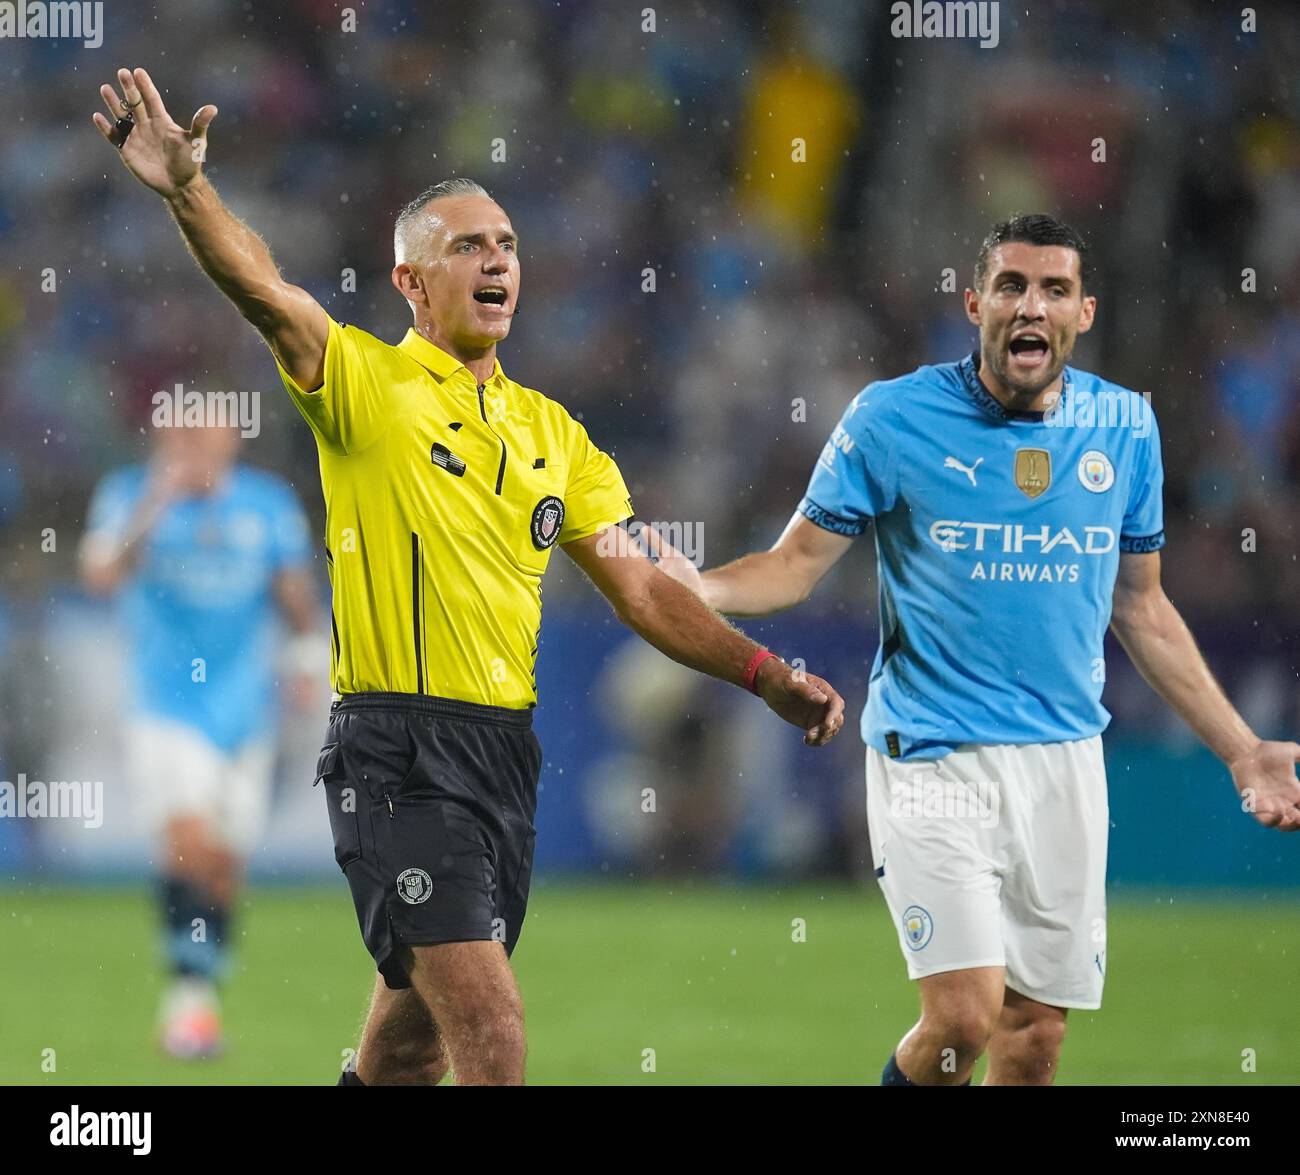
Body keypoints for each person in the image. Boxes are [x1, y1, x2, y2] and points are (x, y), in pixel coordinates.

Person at [92, 66, 845, 1085]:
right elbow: (266, 293)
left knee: (407, 1053)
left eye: (507, 244)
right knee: (491, 1031)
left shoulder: (557, 436)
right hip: (395, 750)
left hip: (503, 756)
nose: (498, 259)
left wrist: (762, 671)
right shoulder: (371, 384)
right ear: (410, 281)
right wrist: (188, 189)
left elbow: (646, 588)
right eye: (467, 245)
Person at [654, 213, 1300, 1085]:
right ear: (974, 303)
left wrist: (1243, 748)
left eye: (1054, 290)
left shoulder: (1126, 428)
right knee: (961, 1019)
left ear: (1084, 312)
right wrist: (700, 587)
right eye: (1012, 286)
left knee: (1033, 1039)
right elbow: (793, 564)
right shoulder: (892, 417)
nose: (1031, 305)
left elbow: (1142, 607)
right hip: (933, 756)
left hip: (1065, 762)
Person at [81, 422, 320, 1058]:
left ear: (231, 439)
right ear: (163, 438)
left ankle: (200, 990)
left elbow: (292, 588)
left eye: (209, 433)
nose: (197, 447)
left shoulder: (266, 503)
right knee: (187, 841)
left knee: (222, 862)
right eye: (184, 435)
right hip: (166, 705)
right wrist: (157, 502)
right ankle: (190, 1003)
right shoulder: (129, 493)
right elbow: (100, 575)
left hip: (246, 710)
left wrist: (302, 657)